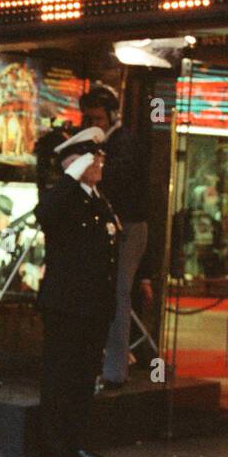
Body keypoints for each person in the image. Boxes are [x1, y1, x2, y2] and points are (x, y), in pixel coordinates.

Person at [35, 126, 120, 457]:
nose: (101, 162)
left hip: (93, 306)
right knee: (61, 375)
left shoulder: (98, 198)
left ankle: (76, 441)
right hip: (66, 305)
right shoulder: (64, 195)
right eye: (93, 157)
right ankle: (55, 444)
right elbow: (46, 214)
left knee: (85, 377)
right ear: (75, 163)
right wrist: (69, 175)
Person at [80, 83, 153, 388]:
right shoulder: (113, 143)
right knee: (113, 295)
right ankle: (113, 362)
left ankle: (115, 369)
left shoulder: (124, 143)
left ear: (111, 115)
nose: (94, 125)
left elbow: (118, 182)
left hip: (128, 226)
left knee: (118, 295)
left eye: (98, 119)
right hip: (119, 226)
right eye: (90, 119)